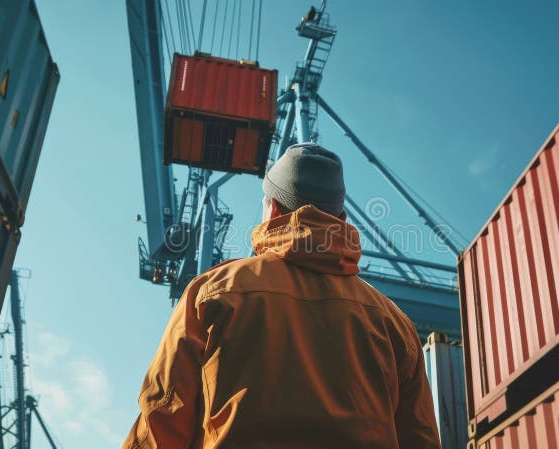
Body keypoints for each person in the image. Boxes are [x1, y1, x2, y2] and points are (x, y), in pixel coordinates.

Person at [123, 143, 440, 449]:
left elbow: (162, 416)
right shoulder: (395, 325)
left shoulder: (212, 293)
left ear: (273, 207)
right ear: (340, 218)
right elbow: (421, 438)